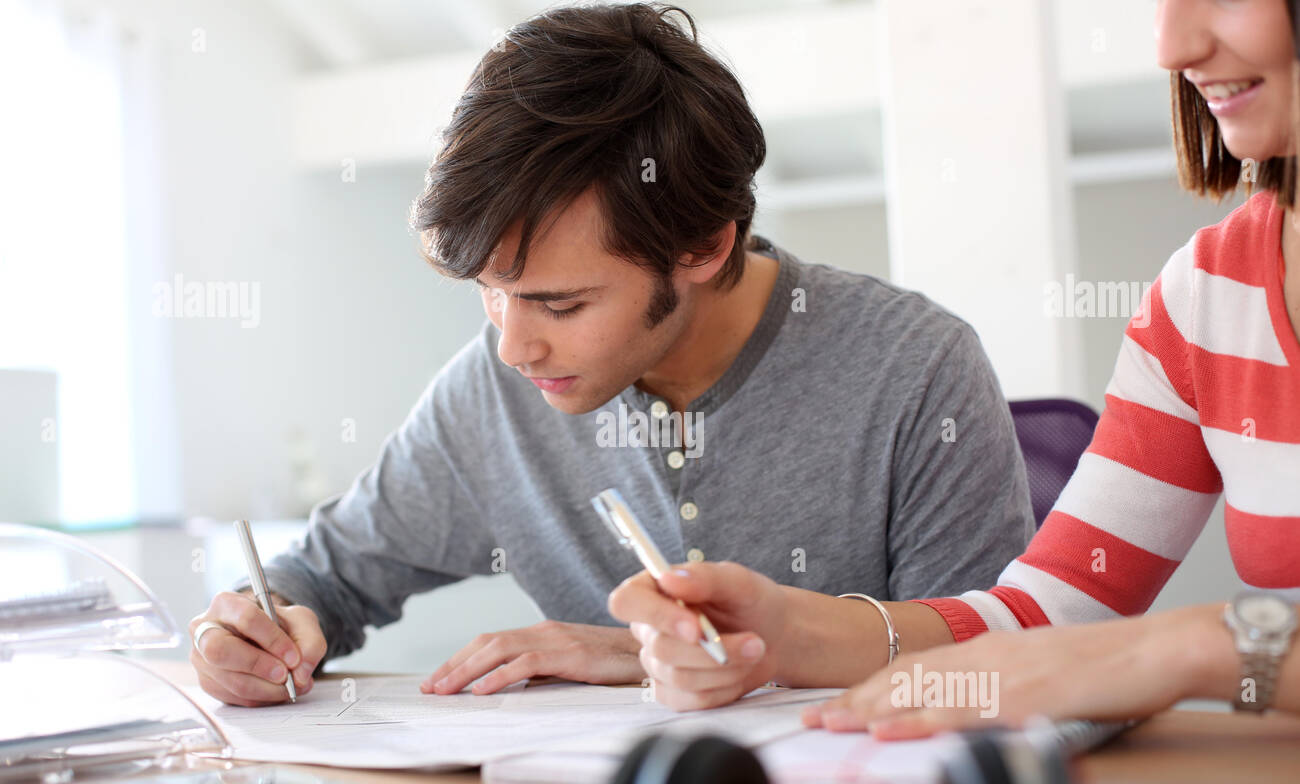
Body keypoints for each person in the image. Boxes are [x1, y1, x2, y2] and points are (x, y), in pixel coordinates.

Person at [185, 3, 1034, 708]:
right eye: (490, 289)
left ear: (701, 247)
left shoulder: (915, 372)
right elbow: (324, 578)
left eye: (560, 302)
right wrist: (257, 630)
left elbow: (996, 676)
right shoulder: (492, 391)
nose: (513, 347)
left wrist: (663, 654)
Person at [609, 0, 1300, 728]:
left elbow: (1120, 648)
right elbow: (1048, 614)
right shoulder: (1205, 296)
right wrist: (787, 633)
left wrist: (1195, 647)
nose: (1171, 46)